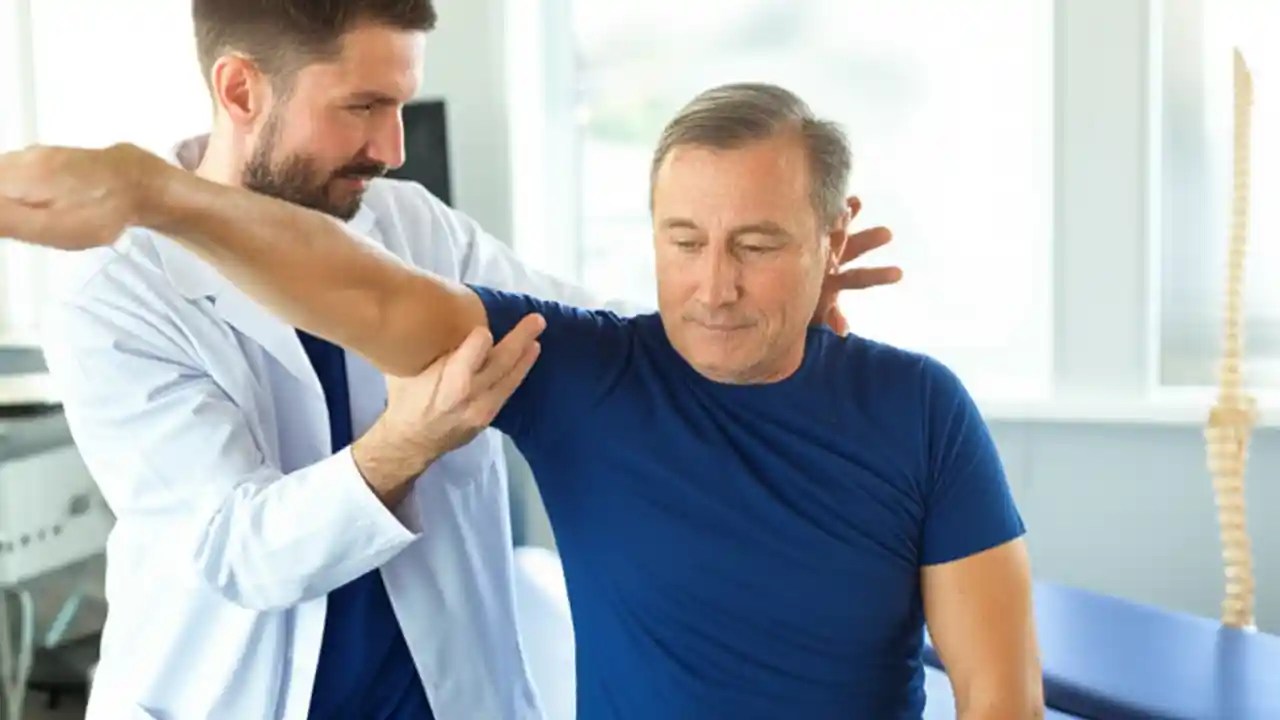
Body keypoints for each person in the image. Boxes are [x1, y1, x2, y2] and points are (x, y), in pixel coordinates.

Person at [0, 82, 1040, 717]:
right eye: (684, 241)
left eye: (758, 245)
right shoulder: (588, 375)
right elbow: (366, 291)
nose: (714, 286)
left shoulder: (920, 409)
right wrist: (159, 196)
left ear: (831, 234)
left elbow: (999, 698)